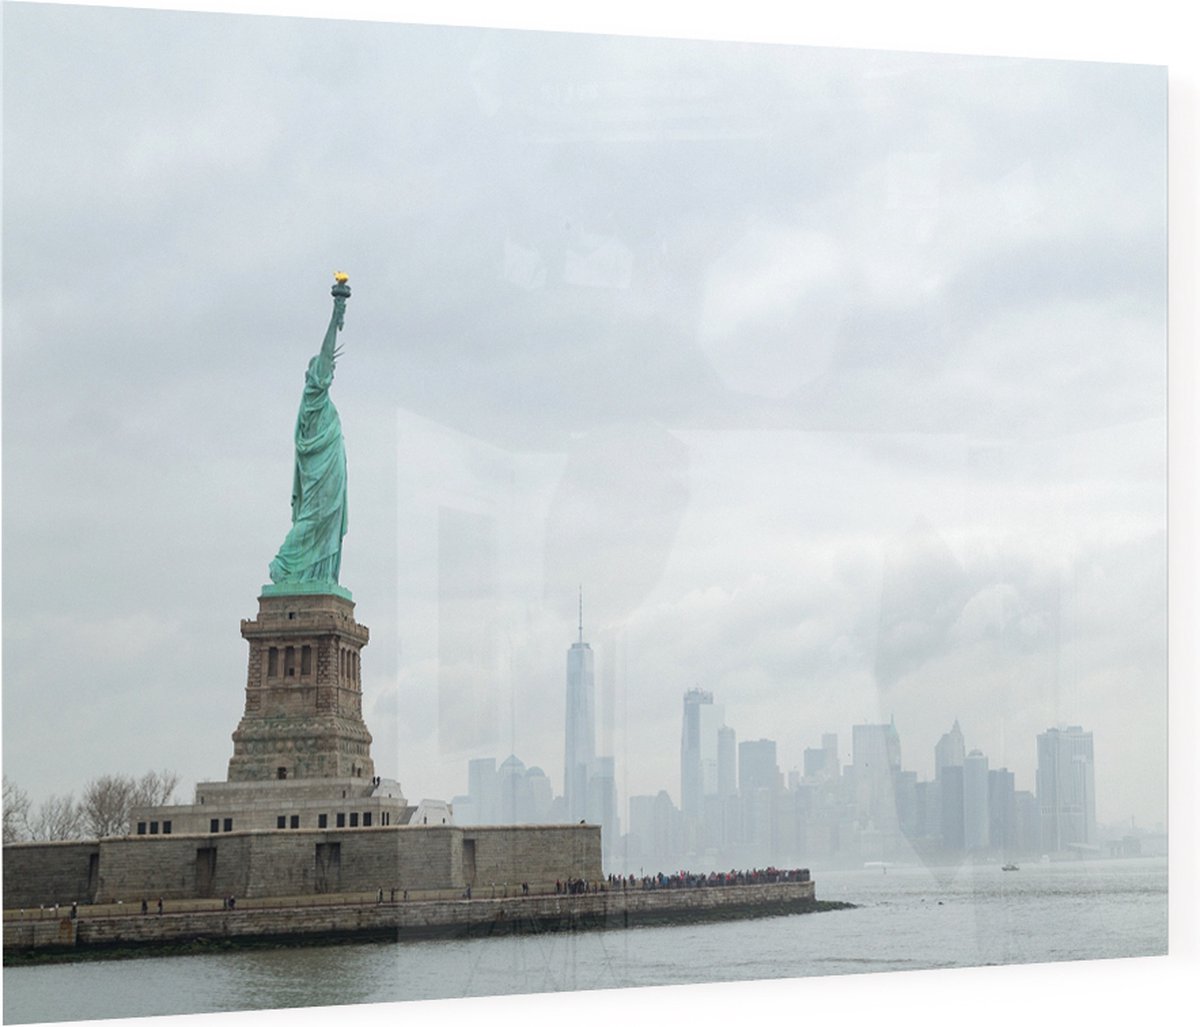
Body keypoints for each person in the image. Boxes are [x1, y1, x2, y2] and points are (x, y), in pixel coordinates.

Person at [268, 281, 351, 587]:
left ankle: (319, 576)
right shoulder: (313, 399)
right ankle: (285, 564)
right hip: (319, 474)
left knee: (325, 522)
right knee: (312, 519)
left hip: (331, 471)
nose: (328, 372)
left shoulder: (322, 406)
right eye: (322, 370)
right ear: (313, 377)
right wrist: (336, 312)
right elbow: (327, 354)